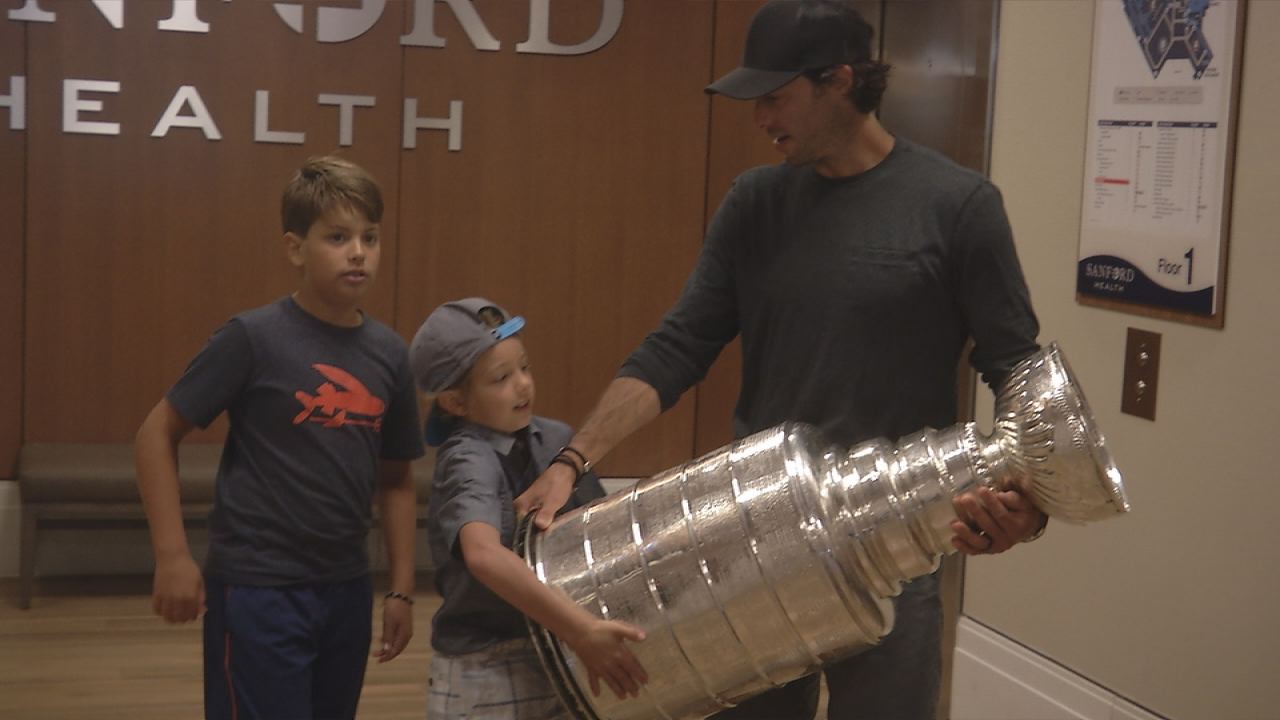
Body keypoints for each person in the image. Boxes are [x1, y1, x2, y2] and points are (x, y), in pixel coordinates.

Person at [513, 1, 1050, 718]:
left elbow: (1018, 375)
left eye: (775, 97)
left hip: (899, 541)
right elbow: (679, 346)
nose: (761, 117)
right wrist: (571, 460)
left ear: (840, 81)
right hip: (753, 542)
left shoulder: (959, 207)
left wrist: (1028, 507)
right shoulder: (755, 202)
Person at [135, 156, 424, 720]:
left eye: (369, 237)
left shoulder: (390, 354)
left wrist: (402, 589)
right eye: (338, 237)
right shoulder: (252, 338)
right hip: (257, 590)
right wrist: (172, 555)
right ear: (295, 248)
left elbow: (395, 480)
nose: (358, 251)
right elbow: (155, 434)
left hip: (345, 589)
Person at [409, 298, 649, 720]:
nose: (522, 385)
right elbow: (483, 555)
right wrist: (582, 629)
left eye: (525, 367)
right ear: (455, 403)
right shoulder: (466, 457)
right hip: (485, 670)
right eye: (501, 378)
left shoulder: (558, 439)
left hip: (562, 655)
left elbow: (604, 532)